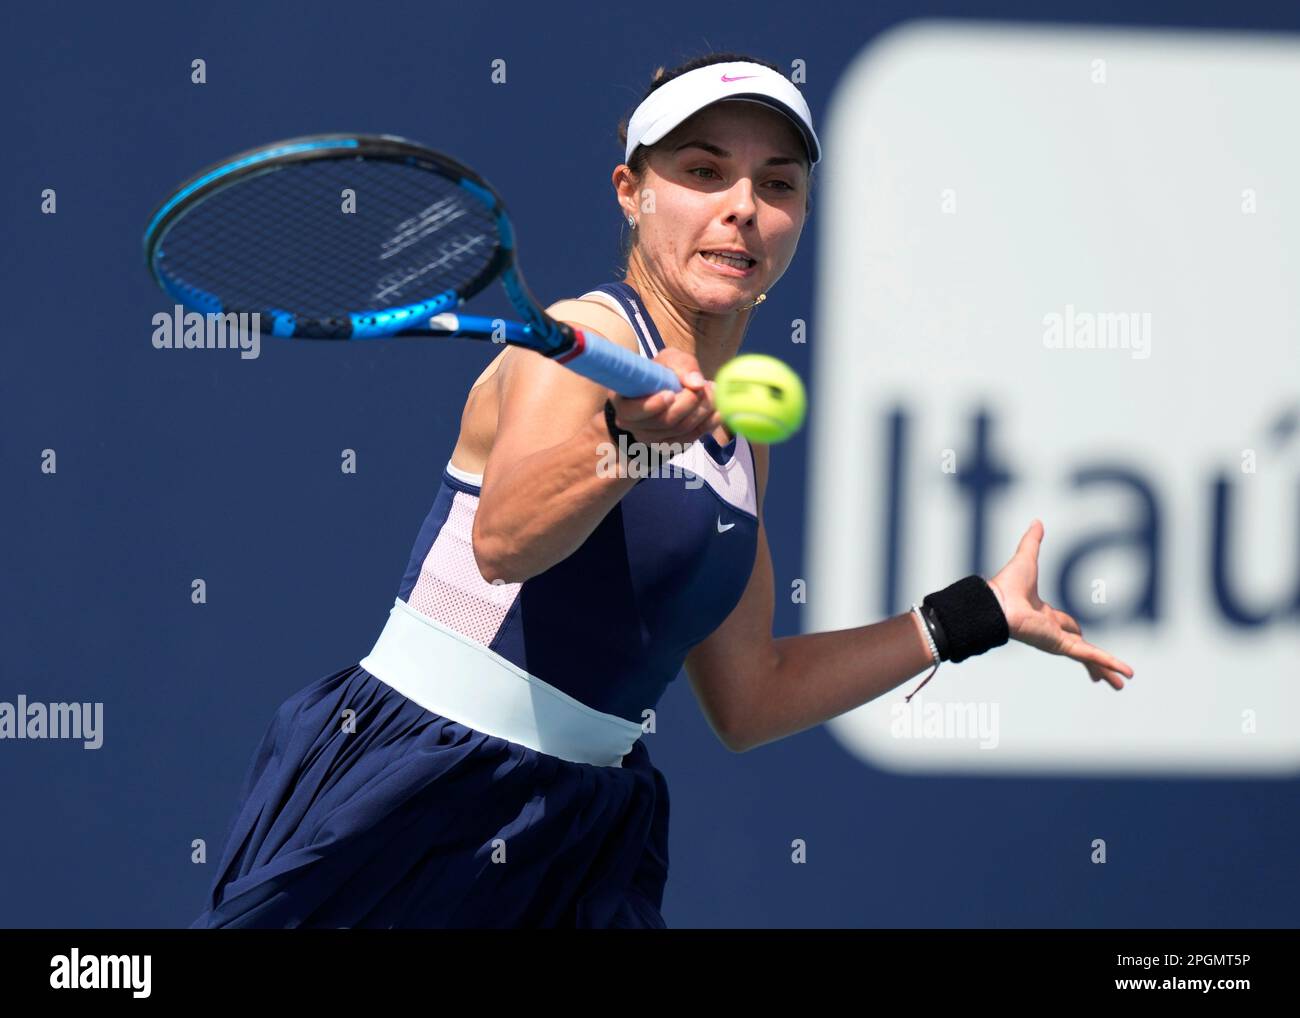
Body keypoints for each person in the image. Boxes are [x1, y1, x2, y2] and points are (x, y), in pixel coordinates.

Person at [190, 51, 1134, 930]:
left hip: (584, 825)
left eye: (777, 185)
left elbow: (750, 699)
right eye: (702, 171)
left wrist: (974, 617)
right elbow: (506, 541)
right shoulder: (575, 338)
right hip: (420, 781)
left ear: (802, 218)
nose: (742, 208)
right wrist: (623, 442)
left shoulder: (740, 443)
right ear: (632, 193)